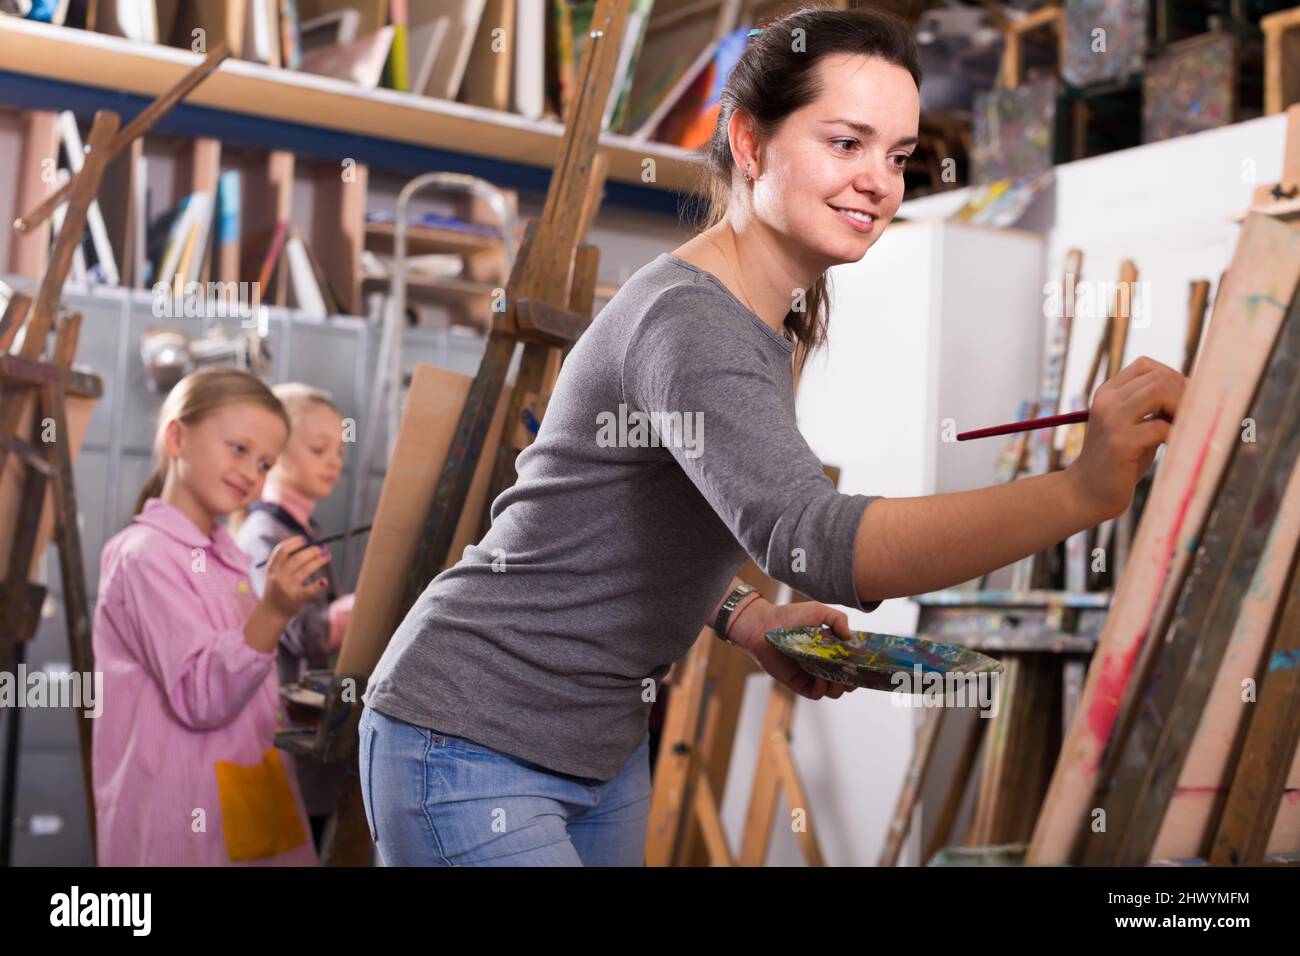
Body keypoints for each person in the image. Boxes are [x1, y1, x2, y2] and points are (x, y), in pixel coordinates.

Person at [359, 6, 1185, 867]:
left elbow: (613, 513)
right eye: (845, 143)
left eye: (898, 156)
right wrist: (1080, 492)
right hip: (470, 735)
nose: (879, 181)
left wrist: (742, 616)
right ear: (748, 144)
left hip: (594, 746)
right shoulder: (695, 321)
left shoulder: (763, 319)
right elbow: (818, 542)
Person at [93, 367, 330, 865]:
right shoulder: (144, 555)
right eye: (238, 449)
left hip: (245, 802)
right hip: (178, 819)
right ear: (177, 437)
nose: (250, 472)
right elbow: (201, 694)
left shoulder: (229, 559)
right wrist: (275, 611)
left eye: (265, 463)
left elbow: (246, 688)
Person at [235, 383, 354, 848]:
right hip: (277, 736)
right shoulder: (266, 535)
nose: (334, 462)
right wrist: (364, 610)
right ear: (277, 452)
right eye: (319, 448)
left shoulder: (302, 530)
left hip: (303, 735)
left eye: (339, 452)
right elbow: (302, 631)